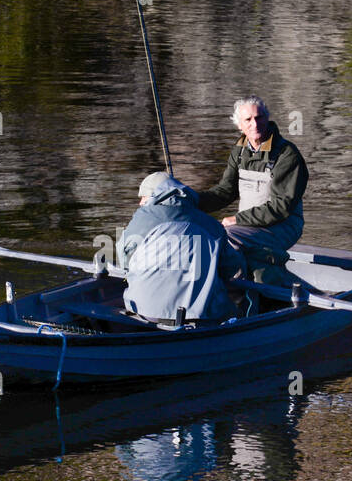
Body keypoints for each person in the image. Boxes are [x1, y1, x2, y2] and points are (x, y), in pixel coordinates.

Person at [117, 172, 246, 322]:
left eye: (143, 197)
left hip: (142, 310)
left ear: (154, 196)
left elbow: (124, 260)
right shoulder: (212, 225)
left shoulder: (142, 218)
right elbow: (231, 268)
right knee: (237, 309)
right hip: (199, 316)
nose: (140, 203)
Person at [195, 96, 308, 263]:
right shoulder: (239, 152)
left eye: (259, 117)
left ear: (267, 118)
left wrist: (237, 219)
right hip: (248, 225)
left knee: (226, 237)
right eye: (248, 119)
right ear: (239, 125)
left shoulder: (287, 154)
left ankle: (249, 282)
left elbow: (281, 207)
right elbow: (225, 192)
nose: (255, 124)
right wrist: (191, 200)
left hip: (284, 226)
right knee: (200, 233)